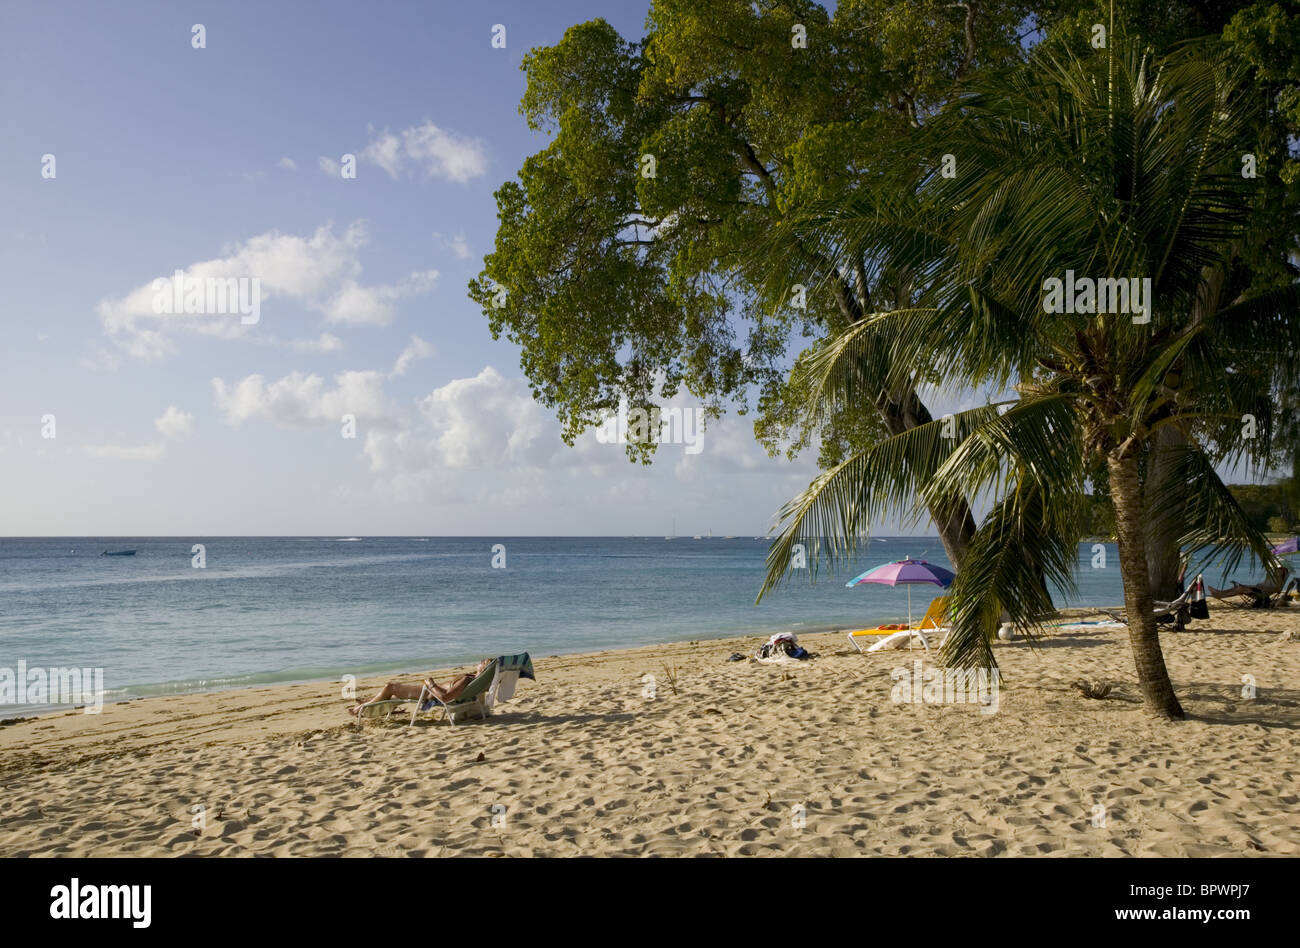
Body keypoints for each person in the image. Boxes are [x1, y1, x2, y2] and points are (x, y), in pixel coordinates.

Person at [348, 658, 493, 717]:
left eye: (483, 662)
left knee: (390, 687)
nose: (479, 662)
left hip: (427, 694)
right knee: (391, 692)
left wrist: (431, 684)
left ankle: (362, 709)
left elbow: (446, 697)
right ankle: (368, 702)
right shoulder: (477, 681)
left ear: (483, 668)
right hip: (429, 693)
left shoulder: (468, 679)